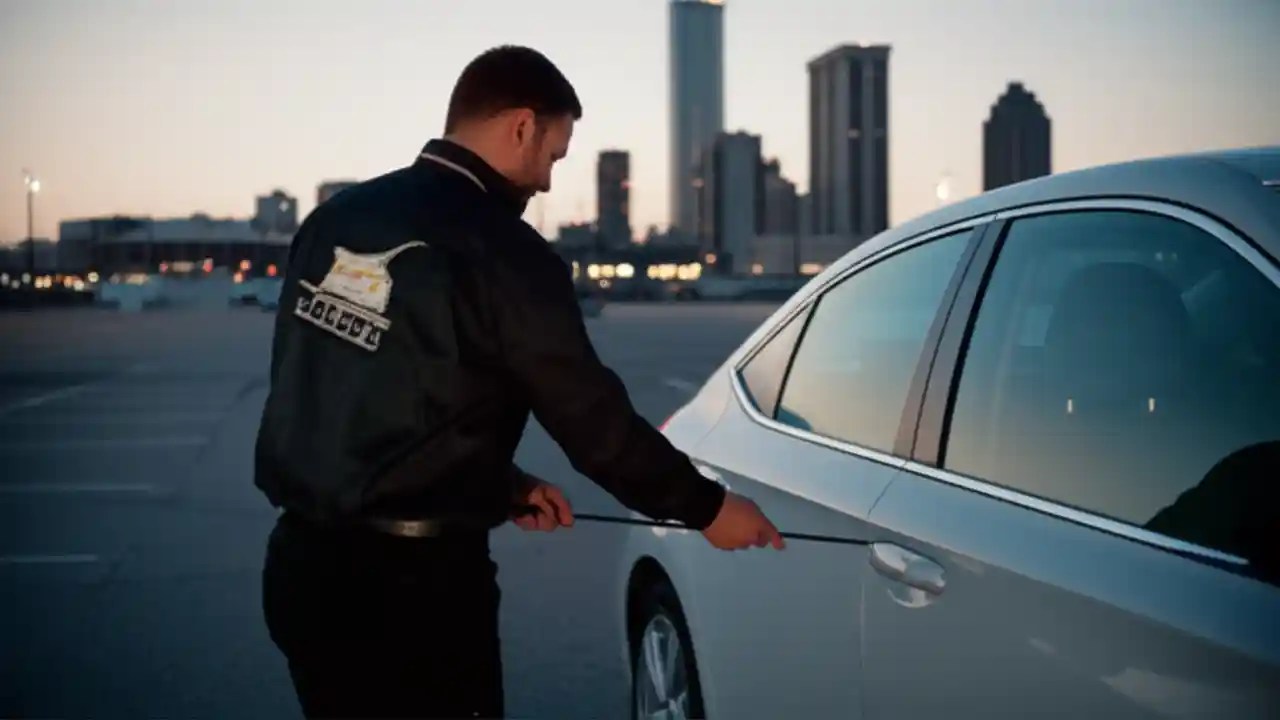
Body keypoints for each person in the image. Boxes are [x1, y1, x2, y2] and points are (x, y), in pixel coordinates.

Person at [254, 45, 784, 720]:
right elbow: (594, 426)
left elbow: (335, 394)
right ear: (522, 126)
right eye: (554, 156)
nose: (546, 183)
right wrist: (708, 509)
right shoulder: (504, 251)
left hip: (302, 575)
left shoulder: (336, 220)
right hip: (414, 598)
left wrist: (499, 485)